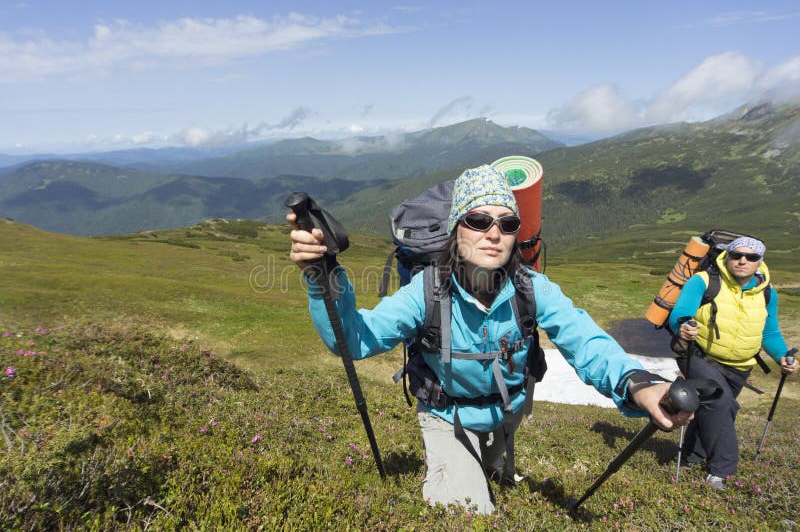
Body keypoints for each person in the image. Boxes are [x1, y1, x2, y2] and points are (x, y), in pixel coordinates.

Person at [289, 165, 691, 514]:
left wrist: (637, 384)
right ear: (455, 230)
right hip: (447, 416)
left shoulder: (533, 289)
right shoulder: (426, 292)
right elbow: (357, 340)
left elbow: (586, 340)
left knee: (487, 469)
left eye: (507, 223)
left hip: (506, 412)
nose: (494, 233)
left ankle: (485, 464)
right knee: (472, 514)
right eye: (478, 220)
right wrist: (322, 276)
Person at [670, 236, 798, 489]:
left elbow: (769, 333)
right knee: (720, 401)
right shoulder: (704, 281)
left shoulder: (767, 292)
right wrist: (684, 326)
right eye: (736, 255)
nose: (742, 261)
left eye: (751, 257)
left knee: (718, 409)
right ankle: (721, 472)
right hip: (698, 357)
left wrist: (782, 356)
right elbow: (680, 313)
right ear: (727, 256)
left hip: (739, 366)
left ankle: (692, 458)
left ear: (760, 262)